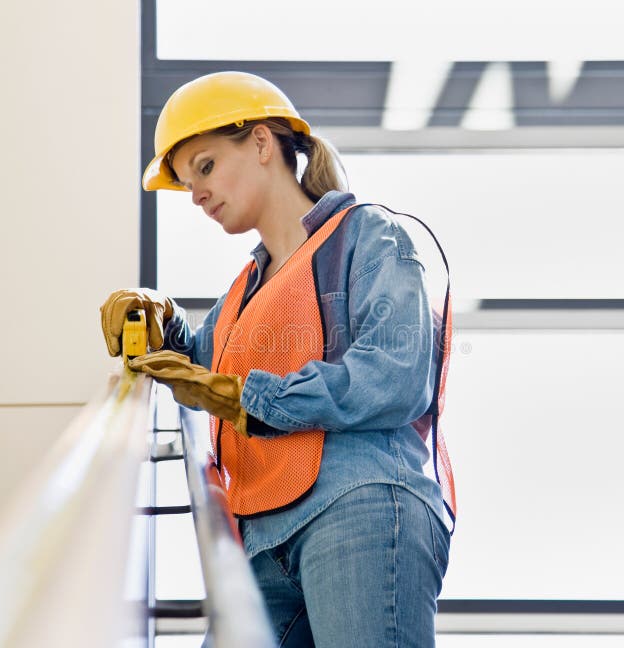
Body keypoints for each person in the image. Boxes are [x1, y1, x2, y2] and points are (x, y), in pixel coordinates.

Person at [100, 71, 455, 647]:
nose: (197, 195)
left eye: (206, 167)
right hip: (263, 539)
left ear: (263, 143)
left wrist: (253, 400)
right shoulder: (243, 292)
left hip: (359, 507)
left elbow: (395, 375)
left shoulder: (370, 236)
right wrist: (158, 318)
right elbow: (202, 371)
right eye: (189, 183)